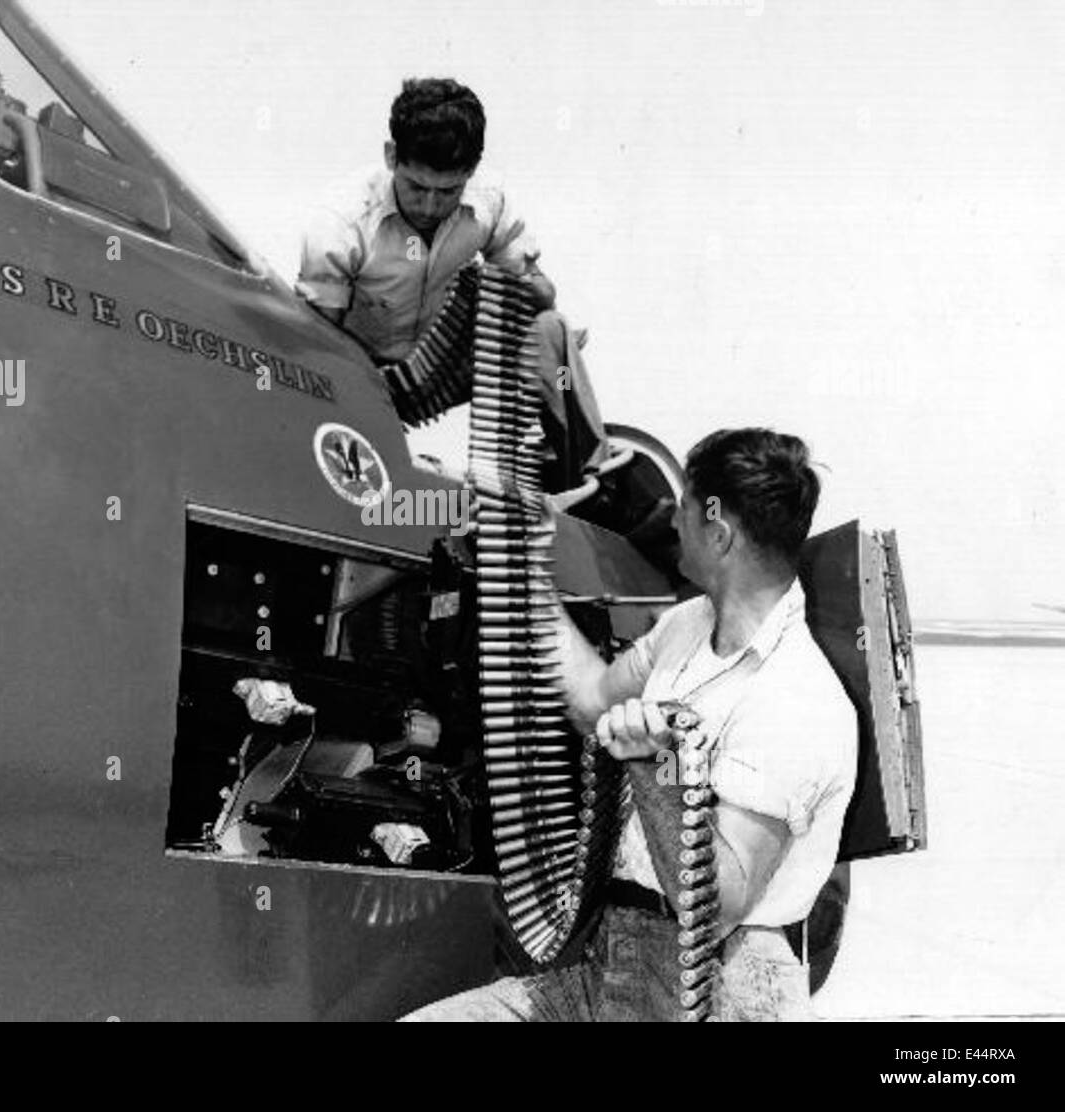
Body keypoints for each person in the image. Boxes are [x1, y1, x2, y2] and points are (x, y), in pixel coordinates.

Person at [402, 428, 858, 1021]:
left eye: (687, 512)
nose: (673, 524)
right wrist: (525, 562)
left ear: (719, 535)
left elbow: (716, 905)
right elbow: (593, 701)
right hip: (618, 961)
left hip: (721, 989)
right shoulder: (688, 626)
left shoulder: (794, 699)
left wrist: (654, 768)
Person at [296, 77, 608, 491]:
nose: (429, 206)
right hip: (366, 381)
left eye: (447, 191)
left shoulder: (488, 201)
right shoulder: (341, 223)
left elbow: (542, 293)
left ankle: (592, 484)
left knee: (550, 331)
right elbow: (320, 354)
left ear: (472, 172)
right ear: (391, 156)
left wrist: (520, 284)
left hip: (443, 372)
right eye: (416, 187)